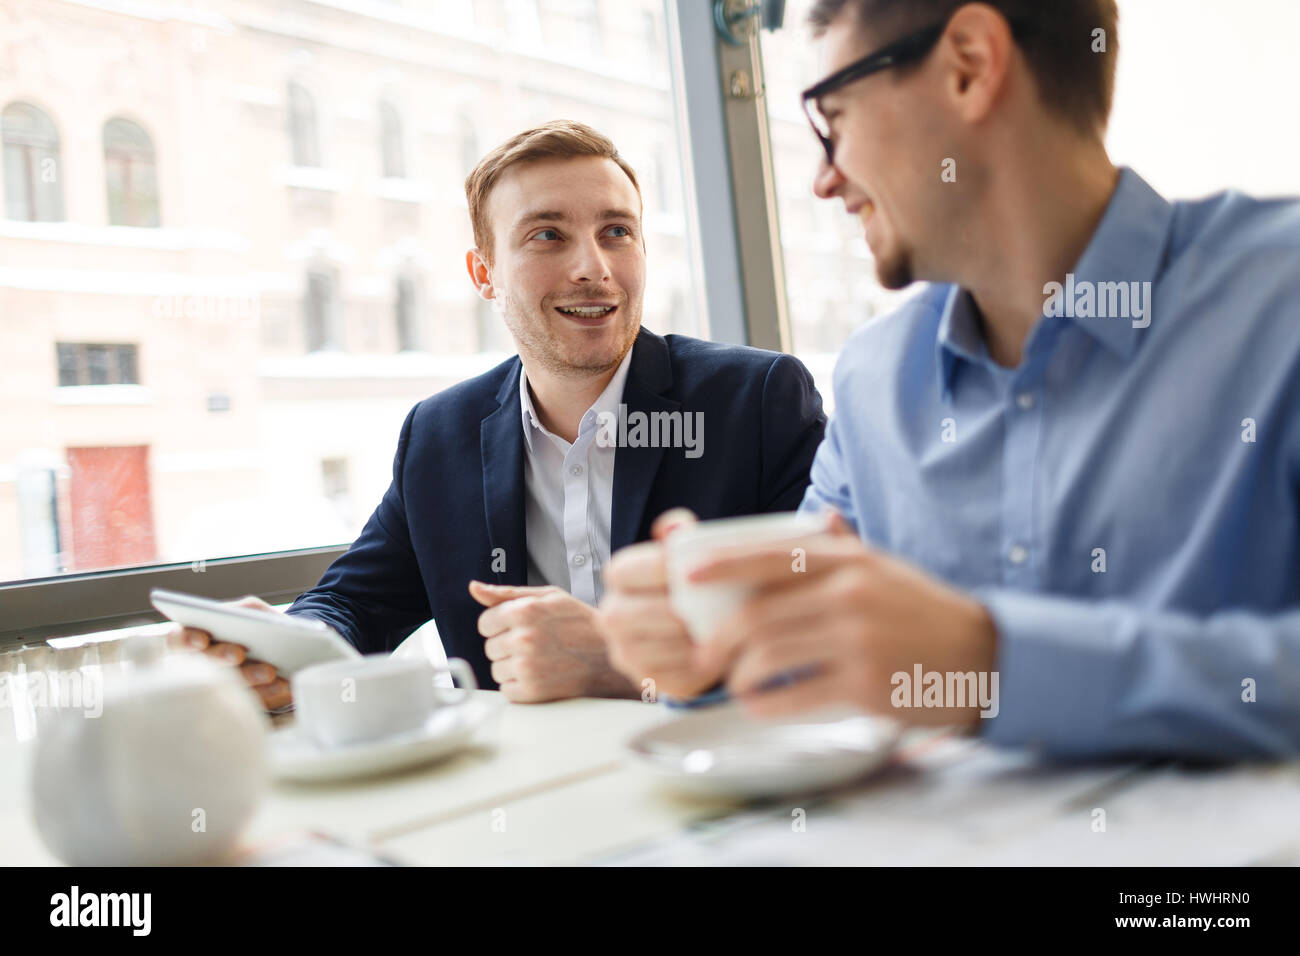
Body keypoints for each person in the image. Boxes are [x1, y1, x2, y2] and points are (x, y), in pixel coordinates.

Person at [600, 0, 1300, 760]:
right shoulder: (873, 381)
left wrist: (992, 662)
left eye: (833, 117)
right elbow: (808, 637)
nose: (823, 180)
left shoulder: (1280, 303)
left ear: (969, 65)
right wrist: (705, 636)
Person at [171, 121, 826, 708]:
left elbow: (821, 626)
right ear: (483, 273)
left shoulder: (756, 400)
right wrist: (282, 646)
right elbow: (354, 601)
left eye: (616, 232)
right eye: (548, 235)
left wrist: (622, 666)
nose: (592, 268)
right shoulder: (439, 434)